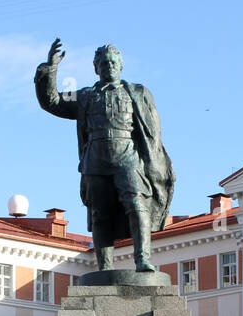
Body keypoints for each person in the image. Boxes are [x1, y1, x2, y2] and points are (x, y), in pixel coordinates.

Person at [34, 39, 175, 273]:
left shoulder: (137, 93)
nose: (108, 66)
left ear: (120, 66)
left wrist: (153, 165)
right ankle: (105, 268)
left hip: (128, 155)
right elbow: (53, 102)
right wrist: (51, 68)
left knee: (137, 205)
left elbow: (153, 133)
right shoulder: (85, 96)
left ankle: (142, 259)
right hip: (95, 158)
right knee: (100, 214)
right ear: (95, 68)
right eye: (103, 63)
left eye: (113, 62)